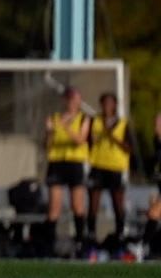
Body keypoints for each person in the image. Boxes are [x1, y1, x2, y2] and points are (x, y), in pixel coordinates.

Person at [44, 86, 92, 255]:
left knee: (77, 205)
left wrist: (66, 127)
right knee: (54, 206)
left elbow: (80, 139)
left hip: (75, 163)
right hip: (57, 162)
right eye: (69, 99)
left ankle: (80, 242)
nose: (72, 103)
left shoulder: (83, 118)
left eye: (75, 100)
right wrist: (49, 132)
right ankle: (49, 245)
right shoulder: (54, 118)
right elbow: (48, 144)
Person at [86, 92, 130, 251]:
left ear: (115, 105)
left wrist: (111, 136)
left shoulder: (123, 124)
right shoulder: (94, 121)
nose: (106, 106)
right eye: (104, 103)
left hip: (115, 167)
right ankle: (91, 235)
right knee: (93, 203)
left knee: (117, 202)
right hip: (98, 166)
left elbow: (128, 147)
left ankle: (120, 234)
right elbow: (88, 142)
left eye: (110, 103)